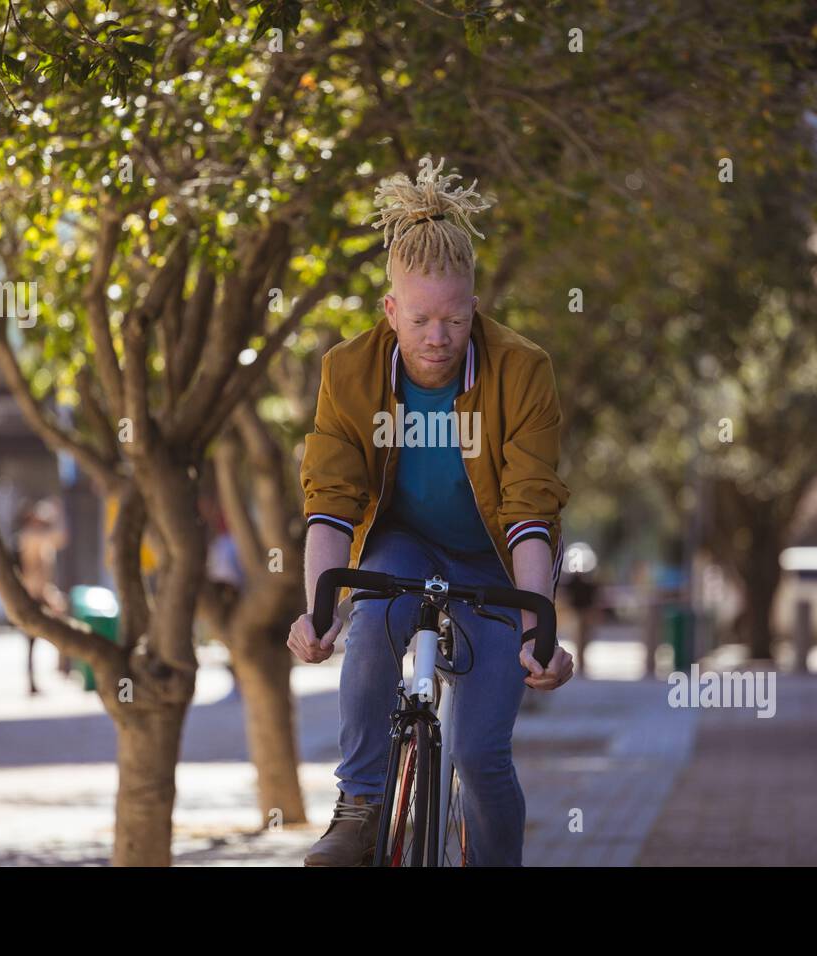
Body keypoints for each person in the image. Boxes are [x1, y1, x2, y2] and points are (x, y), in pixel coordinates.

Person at [288, 155, 573, 867]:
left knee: (479, 755)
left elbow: (530, 512)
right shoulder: (348, 371)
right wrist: (319, 615)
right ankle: (358, 810)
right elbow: (330, 503)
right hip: (404, 542)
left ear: (474, 306)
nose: (438, 336)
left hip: (493, 556)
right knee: (377, 614)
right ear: (390, 310)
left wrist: (538, 625)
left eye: (453, 317)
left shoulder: (522, 369)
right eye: (420, 318)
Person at [14, 498, 69, 694]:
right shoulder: (31, 537)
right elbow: (58, 537)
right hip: (34, 593)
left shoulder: (38, 538)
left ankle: (62, 667)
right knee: (32, 640)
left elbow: (61, 538)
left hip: (42, 592)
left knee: (44, 636)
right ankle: (34, 680)